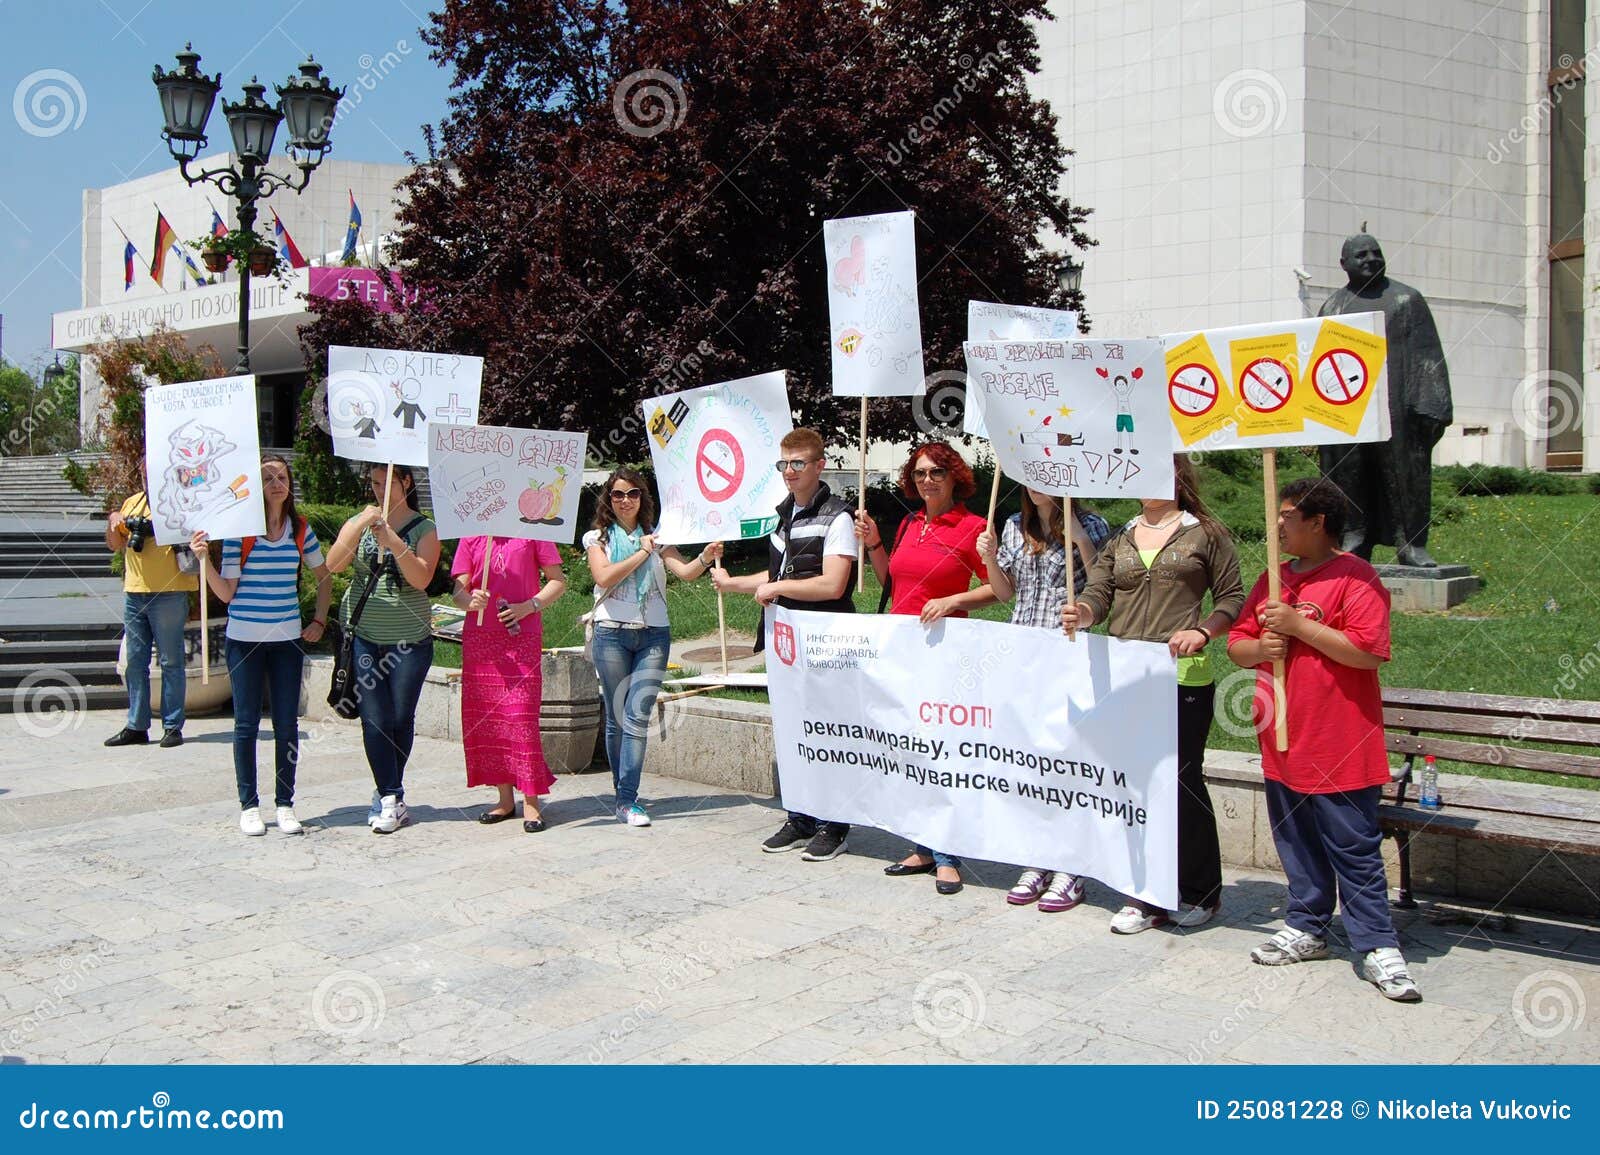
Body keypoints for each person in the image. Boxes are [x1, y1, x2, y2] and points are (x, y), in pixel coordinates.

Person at [1226, 477, 1421, 1001]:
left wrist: (1298, 626)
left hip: (1341, 740)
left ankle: (1377, 943)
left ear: (1318, 522)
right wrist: (1263, 646)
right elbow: (1238, 648)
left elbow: (1367, 652)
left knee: (1352, 848)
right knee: (1296, 842)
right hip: (1282, 736)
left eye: (1287, 515)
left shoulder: (1356, 578)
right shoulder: (1271, 579)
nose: (1278, 525)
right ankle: (1308, 925)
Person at [1061, 455, 1245, 932]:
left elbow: (1232, 598)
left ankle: (1200, 891)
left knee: (1182, 784)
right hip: (1126, 678)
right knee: (1133, 787)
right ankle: (1144, 892)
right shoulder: (1123, 535)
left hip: (1182, 677)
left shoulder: (1205, 533)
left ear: (1178, 477)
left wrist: (1203, 632)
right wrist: (1082, 612)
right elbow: (1100, 591)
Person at [711, 427, 857, 862]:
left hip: (825, 639)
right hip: (785, 641)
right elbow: (777, 575)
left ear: (819, 465)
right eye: (783, 464)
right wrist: (734, 583)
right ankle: (801, 816)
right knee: (794, 730)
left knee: (830, 732)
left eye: (798, 464)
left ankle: (836, 823)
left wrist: (777, 589)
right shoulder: (782, 514)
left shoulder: (839, 517)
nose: (789, 472)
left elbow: (833, 585)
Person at [856, 441, 990, 896]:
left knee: (942, 753)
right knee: (913, 751)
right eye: (919, 473)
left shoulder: (973, 527)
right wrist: (874, 542)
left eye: (935, 472)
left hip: (944, 655)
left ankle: (949, 855)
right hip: (902, 653)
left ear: (955, 477)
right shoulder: (910, 523)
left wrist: (954, 600)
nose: (926, 480)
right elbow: (891, 583)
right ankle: (923, 847)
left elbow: (999, 589)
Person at [975, 487, 1111, 911]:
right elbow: (1004, 593)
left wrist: (1080, 540)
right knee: (1032, 760)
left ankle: (1072, 866)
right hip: (1024, 656)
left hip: (1068, 653)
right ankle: (1039, 856)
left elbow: (1103, 586)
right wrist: (990, 560)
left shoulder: (1093, 525)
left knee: (1067, 761)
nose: (1036, 483)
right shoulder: (1015, 526)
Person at [192, 455, 332, 836]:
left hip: (287, 640)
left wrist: (319, 620)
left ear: (289, 484)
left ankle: (285, 803)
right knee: (246, 725)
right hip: (245, 641)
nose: (275, 483)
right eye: (267, 477)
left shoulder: (300, 529)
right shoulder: (241, 533)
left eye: (281, 477)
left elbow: (324, 577)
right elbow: (227, 593)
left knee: (287, 724)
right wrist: (205, 560)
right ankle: (249, 805)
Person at [584, 468, 723, 827]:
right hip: (612, 632)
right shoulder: (596, 537)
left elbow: (686, 572)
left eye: (633, 494)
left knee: (636, 715)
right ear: (608, 500)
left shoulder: (657, 537)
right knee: (616, 718)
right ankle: (622, 793)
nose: (626, 500)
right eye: (617, 495)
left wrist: (706, 556)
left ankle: (628, 799)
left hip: (653, 634)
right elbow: (604, 577)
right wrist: (642, 554)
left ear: (643, 498)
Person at [1317, 232, 1452, 567]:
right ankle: (1354, 537)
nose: (1370, 259)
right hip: (1348, 409)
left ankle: (1412, 544)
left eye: (1375, 253)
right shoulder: (1333, 307)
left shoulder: (1406, 300)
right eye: (1361, 255)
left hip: (1398, 407)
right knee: (1348, 475)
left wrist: (1432, 407)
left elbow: (1427, 355)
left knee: (1405, 477)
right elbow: (1318, 362)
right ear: (1343, 264)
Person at [324, 464, 441, 835]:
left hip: (409, 638)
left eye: (385, 482)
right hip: (363, 634)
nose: (377, 490)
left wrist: (393, 541)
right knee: (373, 719)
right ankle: (390, 796)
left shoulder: (424, 529)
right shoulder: (359, 522)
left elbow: (421, 578)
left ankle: (390, 791)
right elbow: (332, 565)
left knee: (399, 718)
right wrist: (360, 526)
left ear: (405, 482)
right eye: (373, 483)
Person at [451, 532, 568, 833]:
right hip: (480, 637)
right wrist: (469, 600)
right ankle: (505, 799)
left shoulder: (531, 530)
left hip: (522, 636)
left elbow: (558, 581)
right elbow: (458, 591)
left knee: (520, 718)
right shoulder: (472, 535)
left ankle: (532, 801)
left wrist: (528, 606)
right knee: (490, 719)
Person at [103, 472, 199, 749]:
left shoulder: (180, 501)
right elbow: (114, 544)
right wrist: (114, 521)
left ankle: (172, 726)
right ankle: (136, 726)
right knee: (135, 662)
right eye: (145, 471)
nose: (149, 476)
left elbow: (196, 532)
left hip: (170, 592)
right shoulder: (132, 502)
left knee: (171, 662)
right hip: (134, 591)